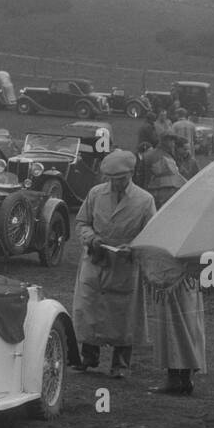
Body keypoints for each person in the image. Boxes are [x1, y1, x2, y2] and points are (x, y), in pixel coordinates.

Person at [72, 149, 156, 378]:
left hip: (124, 263)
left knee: (123, 313)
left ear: (131, 174)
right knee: (89, 306)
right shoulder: (96, 194)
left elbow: (151, 235)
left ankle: (120, 364)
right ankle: (88, 357)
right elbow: (82, 222)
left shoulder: (144, 200)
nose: (116, 184)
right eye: (111, 179)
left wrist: (134, 248)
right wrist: (91, 238)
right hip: (96, 257)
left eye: (121, 179)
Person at [141, 138, 185, 209]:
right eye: (171, 140)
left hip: (167, 189)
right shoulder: (153, 155)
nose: (173, 143)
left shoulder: (170, 154)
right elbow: (146, 175)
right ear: (165, 142)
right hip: (161, 190)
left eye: (173, 141)